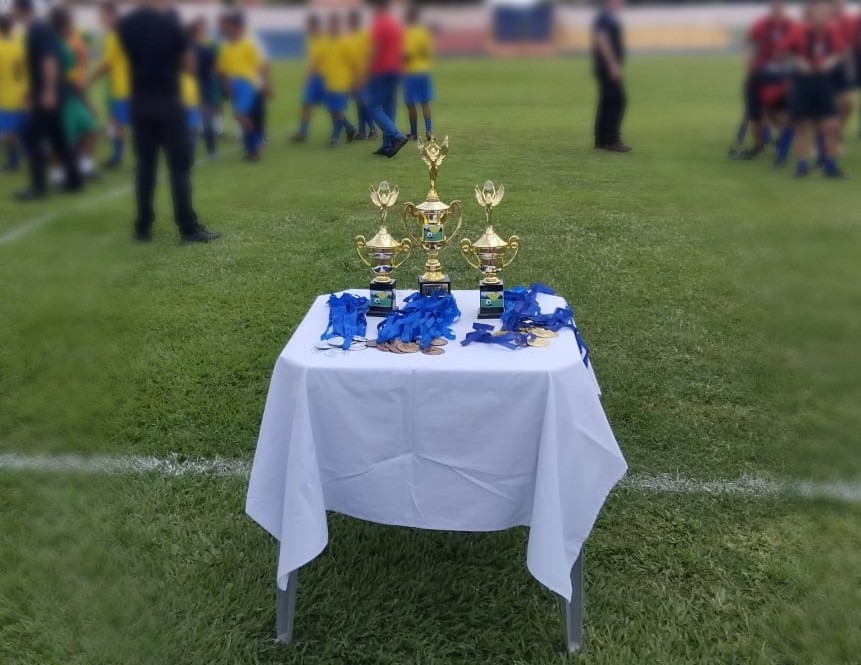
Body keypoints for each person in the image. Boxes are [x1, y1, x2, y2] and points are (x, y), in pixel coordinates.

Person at [117, 0, 219, 242]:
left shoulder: (126, 25)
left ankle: (143, 227)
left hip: (140, 103)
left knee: (145, 167)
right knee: (179, 168)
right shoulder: (171, 24)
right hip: (168, 103)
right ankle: (188, 228)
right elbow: (189, 65)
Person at [12, 0, 82, 201]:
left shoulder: (38, 30)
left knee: (30, 135)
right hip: (49, 93)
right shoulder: (40, 29)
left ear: (19, 9)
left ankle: (38, 187)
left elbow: (49, 60)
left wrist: (48, 91)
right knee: (57, 137)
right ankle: (74, 179)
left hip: (49, 95)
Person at [781, 0, 846, 178]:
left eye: (825, 12)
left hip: (823, 82)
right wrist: (798, 61)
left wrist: (829, 62)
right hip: (803, 83)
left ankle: (830, 167)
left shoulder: (832, 30)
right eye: (818, 12)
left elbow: (839, 51)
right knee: (801, 126)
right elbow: (784, 51)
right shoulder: (798, 30)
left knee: (831, 125)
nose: (822, 16)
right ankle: (802, 167)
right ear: (811, 12)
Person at [736, 0, 795, 159]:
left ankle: (783, 143)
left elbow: (799, 47)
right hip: (761, 74)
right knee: (755, 109)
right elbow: (747, 42)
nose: (777, 7)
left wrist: (791, 60)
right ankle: (758, 146)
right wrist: (747, 61)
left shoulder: (792, 25)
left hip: (783, 75)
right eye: (775, 4)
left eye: (781, 5)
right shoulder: (761, 24)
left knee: (781, 110)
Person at [50, 6, 99, 182]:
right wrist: (89, 103)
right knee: (65, 137)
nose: (74, 25)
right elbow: (73, 81)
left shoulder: (55, 44)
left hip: (67, 98)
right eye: (71, 22)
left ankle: (83, 167)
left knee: (90, 130)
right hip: (66, 99)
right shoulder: (63, 49)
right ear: (65, 25)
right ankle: (58, 174)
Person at [216, 10, 270, 161]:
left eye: (230, 26)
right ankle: (252, 149)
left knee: (241, 115)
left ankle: (256, 143)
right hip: (235, 84)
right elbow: (224, 70)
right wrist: (228, 87)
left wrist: (264, 84)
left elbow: (260, 65)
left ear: (237, 27)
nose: (228, 29)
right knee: (240, 116)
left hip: (248, 84)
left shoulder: (248, 44)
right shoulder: (226, 47)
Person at [88, 1, 130, 170]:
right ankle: (117, 156)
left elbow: (107, 64)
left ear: (111, 15)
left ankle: (119, 156)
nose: (100, 19)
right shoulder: (127, 32)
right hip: (131, 85)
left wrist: (90, 79)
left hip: (123, 87)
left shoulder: (114, 35)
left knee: (119, 121)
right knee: (116, 121)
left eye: (102, 15)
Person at [366, 0, 407, 157]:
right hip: (396, 69)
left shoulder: (378, 23)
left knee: (372, 106)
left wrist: (368, 69)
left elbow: (375, 48)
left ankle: (396, 136)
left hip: (381, 70)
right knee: (389, 107)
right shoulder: (395, 24)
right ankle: (387, 145)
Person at [591, 0, 630, 152]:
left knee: (606, 102)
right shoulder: (605, 17)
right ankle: (612, 140)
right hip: (607, 66)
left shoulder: (606, 16)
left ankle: (601, 140)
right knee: (618, 100)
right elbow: (602, 40)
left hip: (603, 66)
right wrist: (612, 64)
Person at [321, 12, 356, 147]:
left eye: (334, 24)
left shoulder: (345, 42)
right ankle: (349, 128)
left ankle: (335, 138)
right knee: (332, 110)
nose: (332, 27)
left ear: (338, 26)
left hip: (342, 82)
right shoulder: (325, 42)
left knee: (338, 111)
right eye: (330, 24)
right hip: (328, 82)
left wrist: (355, 81)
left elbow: (353, 63)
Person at [291, 13, 325, 143]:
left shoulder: (322, 39)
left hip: (322, 77)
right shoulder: (310, 39)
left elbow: (318, 60)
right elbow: (311, 59)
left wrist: (307, 75)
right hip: (314, 77)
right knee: (306, 103)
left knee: (332, 106)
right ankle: (303, 133)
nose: (307, 28)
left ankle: (348, 126)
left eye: (309, 25)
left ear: (315, 25)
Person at [402, 5, 434, 142]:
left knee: (410, 103)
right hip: (424, 71)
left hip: (411, 72)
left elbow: (406, 54)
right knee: (425, 102)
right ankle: (429, 130)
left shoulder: (406, 33)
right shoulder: (423, 32)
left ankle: (414, 133)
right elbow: (428, 51)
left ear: (408, 17)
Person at [0, 10, 27, 173]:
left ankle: (13, 160)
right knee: (25, 127)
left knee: (9, 131)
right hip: (25, 93)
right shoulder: (21, 41)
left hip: (7, 96)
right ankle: (27, 153)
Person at [190, 17, 218, 158]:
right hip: (205, 88)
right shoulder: (205, 50)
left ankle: (191, 152)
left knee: (192, 122)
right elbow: (214, 69)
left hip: (189, 91)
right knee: (208, 123)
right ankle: (212, 152)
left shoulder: (185, 51)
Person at [346, 9, 374, 141]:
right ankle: (362, 132)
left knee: (364, 103)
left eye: (352, 20)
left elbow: (369, 56)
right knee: (358, 103)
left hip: (363, 75)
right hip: (353, 75)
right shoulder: (350, 36)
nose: (351, 22)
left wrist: (365, 75)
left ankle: (373, 130)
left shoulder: (364, 35)